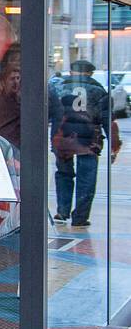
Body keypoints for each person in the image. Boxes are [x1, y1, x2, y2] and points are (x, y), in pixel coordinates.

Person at [50, 60, 114, 228]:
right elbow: (107, 120)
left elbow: (47, 113)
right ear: (90, 73)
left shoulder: (57, 88)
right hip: (88, 142)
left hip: (62, 139)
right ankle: (80, 217)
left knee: (63, 174)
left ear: (71, 72)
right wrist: (114, 145)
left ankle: (62, 211)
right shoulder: (99, 91)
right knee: (87, 179)